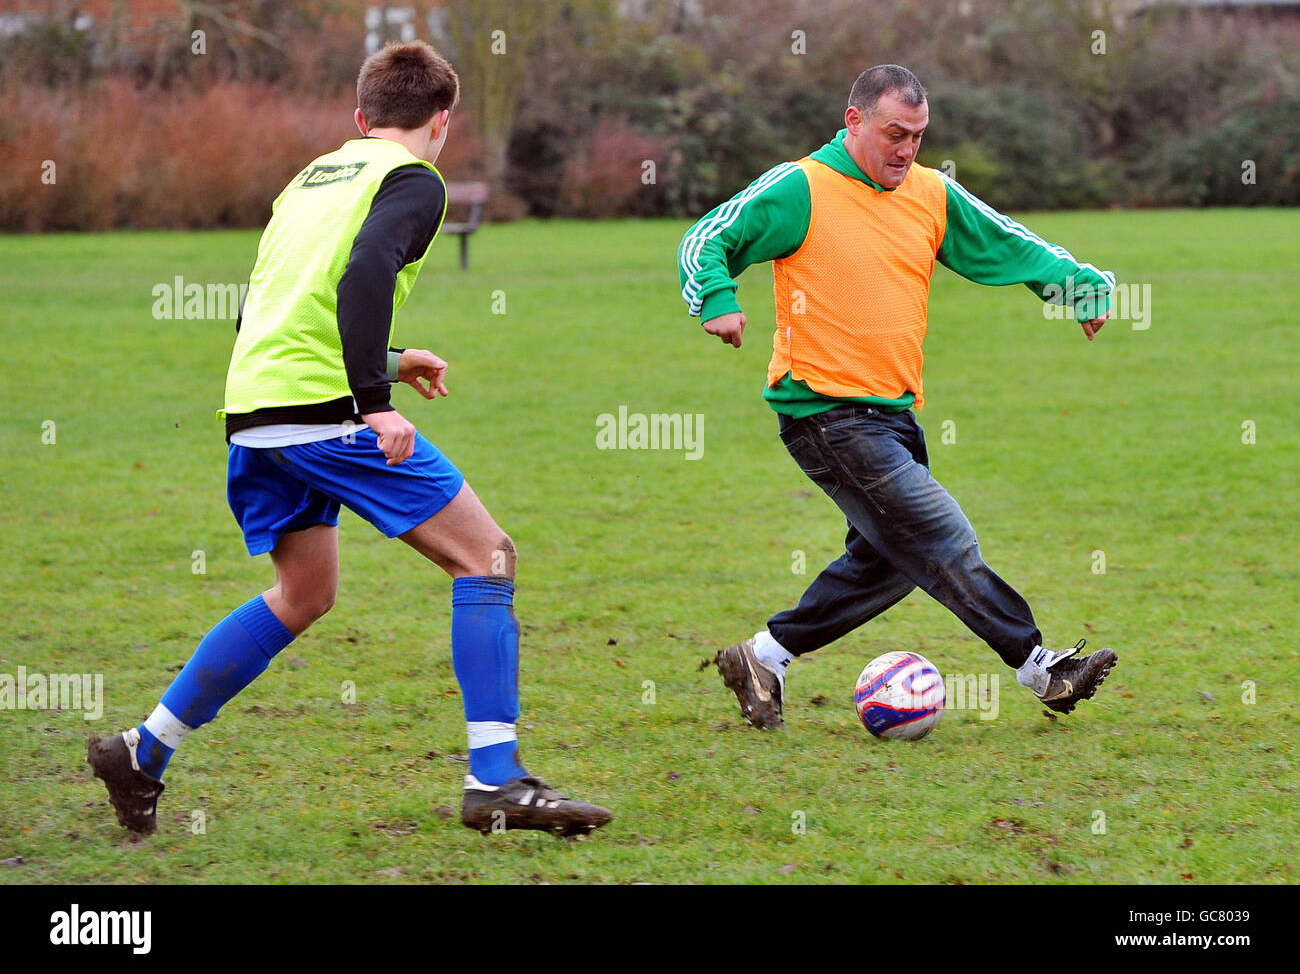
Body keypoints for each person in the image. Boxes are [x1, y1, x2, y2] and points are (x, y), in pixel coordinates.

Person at [88, 41, 611, 838]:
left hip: (256, 408)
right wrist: (374, 399)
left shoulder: (310, 181)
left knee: (304, 593)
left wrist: (394, 362)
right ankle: (496, 779)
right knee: (488, 555)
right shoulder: (413, 180)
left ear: (360, 119)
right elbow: (366, 273)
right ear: (442, 121)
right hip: (326, 411)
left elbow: (277, 306)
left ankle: (142, 749)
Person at [677, 64, 1118, 730]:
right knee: (942, 532)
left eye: (917, 135)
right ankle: (1041, 667)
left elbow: (1004, 242)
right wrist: (717, 296)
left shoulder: (930, 194)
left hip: (894, 414)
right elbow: (707, 237)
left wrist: (1075, 283)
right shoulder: (803, 187)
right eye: (894, 133)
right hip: (823, 412)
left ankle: (762, 657)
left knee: (893, 558)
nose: (906, 149)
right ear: (853, 121)